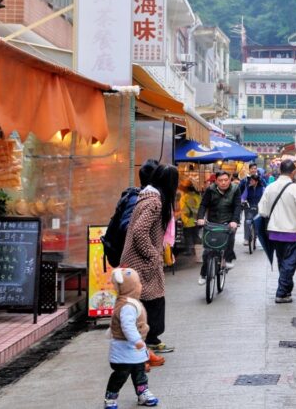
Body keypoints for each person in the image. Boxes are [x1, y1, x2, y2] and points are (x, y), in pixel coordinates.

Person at [121, 163, 179, 360]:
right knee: (151, 300)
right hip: (141, 262)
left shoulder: (147, 197)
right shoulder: (154, 202)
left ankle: (147, 342)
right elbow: (139, 231)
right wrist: (153, 255)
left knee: (147, 300)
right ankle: (144, 345)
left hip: (136, 260)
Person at [103, 268, 158, 408]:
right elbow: (128, 326)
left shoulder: (130, 302)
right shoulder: (127, 306)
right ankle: (111, 397)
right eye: (137, 283)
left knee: (139, 372)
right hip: (125, 347)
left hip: (134, 349)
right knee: (121, 374)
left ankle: (142, 393)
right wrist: (137, 341)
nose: (140, 286)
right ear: (129, 287)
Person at [258, 160, 296, 303]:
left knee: (282, 261)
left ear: (280, 170)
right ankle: (281, 293)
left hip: (273, 233)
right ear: (293, 172)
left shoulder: (270, 187)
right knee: (289, 263)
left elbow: (262, 210)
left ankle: (287, 290)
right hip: (291, 233)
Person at [196, 171, 241, 284]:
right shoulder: (210, 190)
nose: (223, 182)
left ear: (230, 179)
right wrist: (201, 217)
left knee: (230, 237)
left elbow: (237, 206)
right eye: (220, 180)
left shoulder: (235, 189)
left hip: (228, 222)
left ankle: (228, 258)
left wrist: (235, 221)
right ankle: (203, 274)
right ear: (216, 181)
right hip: (212, 222)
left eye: (226, 180)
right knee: (208, 250)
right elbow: (203, 205)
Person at [177, 178, 202, 260]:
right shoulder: (197, 195)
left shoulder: (185, 197)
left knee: (187, 236)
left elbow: (185, 210)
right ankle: (198, 250)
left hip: (188, 220)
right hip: (197, 219)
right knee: (195, 235)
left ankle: (189, 250)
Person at [241, 173, 265, 246]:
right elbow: (243, 196)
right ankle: (246, 239)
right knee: (247, 222)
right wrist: (242, 201)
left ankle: (260, 236)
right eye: (250, 180)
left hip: (260, 208)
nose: (250, 182)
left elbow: (265, 198)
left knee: (261, 223)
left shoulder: (262, 189)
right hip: (250, 207)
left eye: (252, 181)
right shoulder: (248, 188)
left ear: (256, 181)